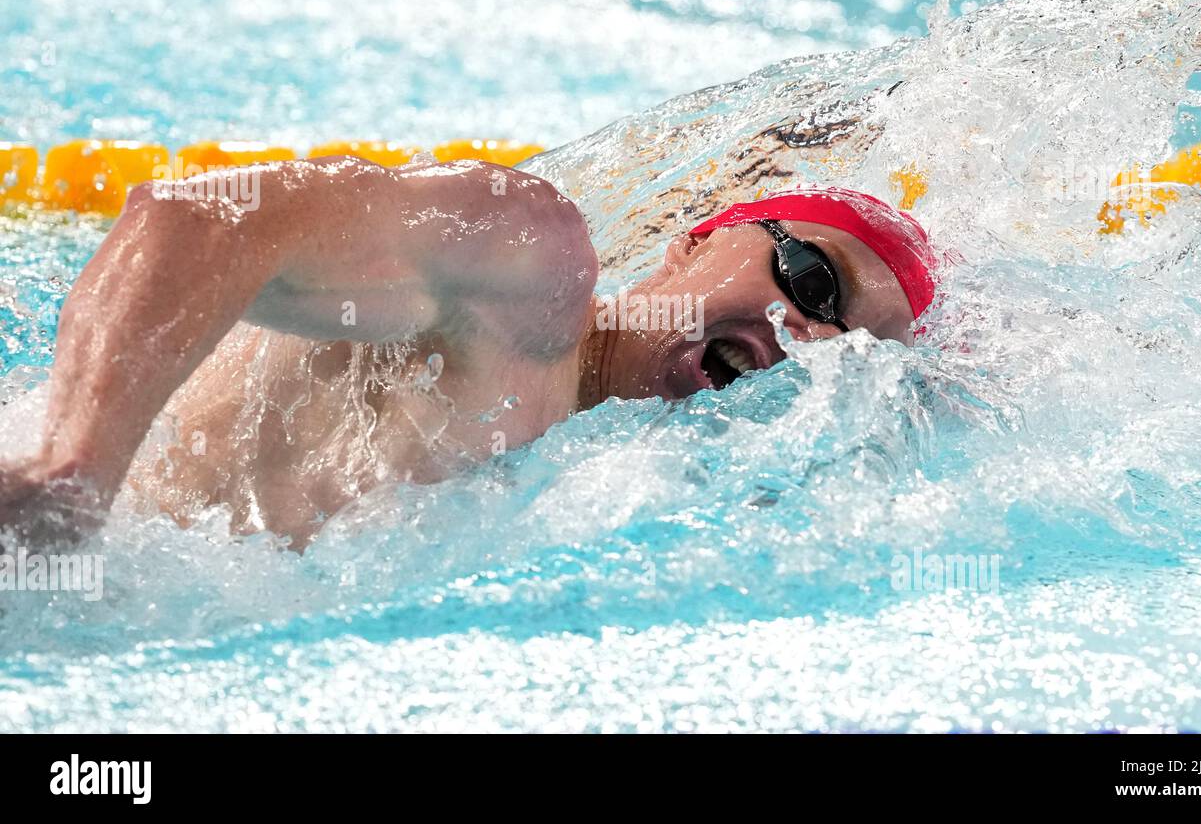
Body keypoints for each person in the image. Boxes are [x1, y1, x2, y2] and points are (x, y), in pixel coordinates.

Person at [0, 154, 935, 548]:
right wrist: (71, 472)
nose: (810, 337)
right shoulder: (526, 261)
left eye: (850, 350)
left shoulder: (624, 500)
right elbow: (196, 216)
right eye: (813, 281)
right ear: (693, 239)